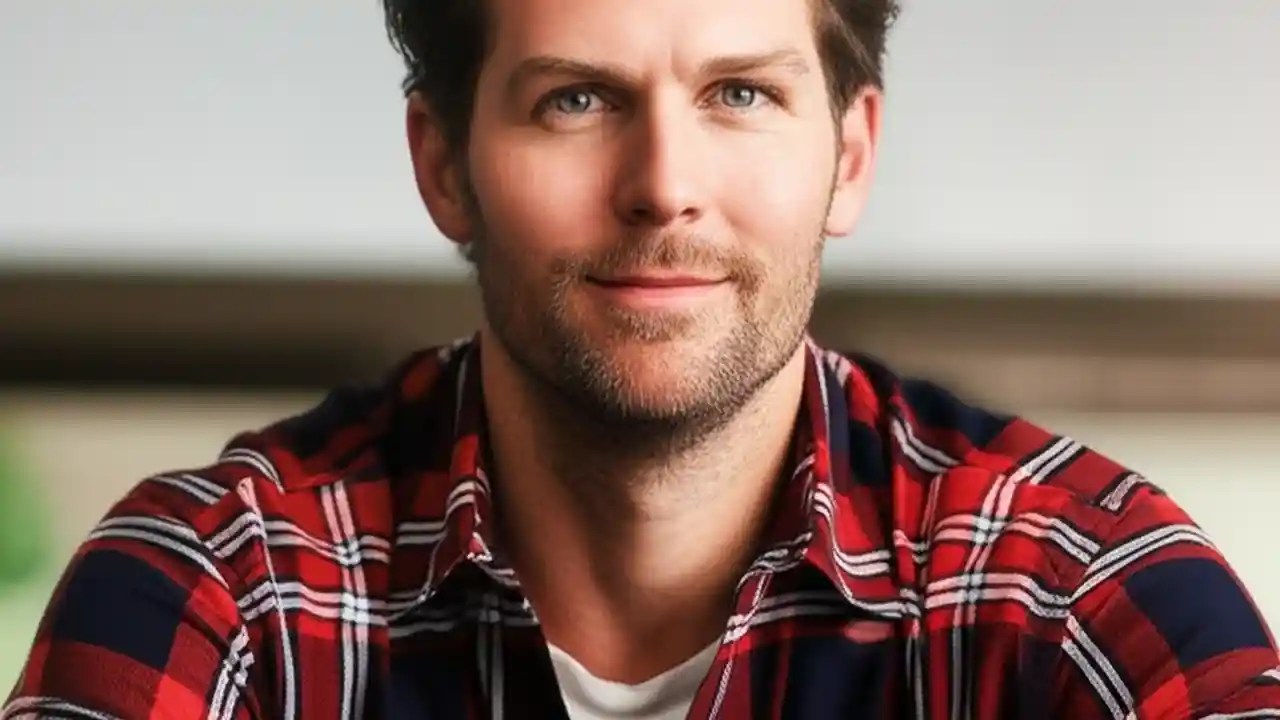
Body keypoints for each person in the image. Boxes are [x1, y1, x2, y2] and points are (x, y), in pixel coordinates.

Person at [6, 0, 1279, 717]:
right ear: (443, 165)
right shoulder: (221, 597)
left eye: (740, 94)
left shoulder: (1076, 597)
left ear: (847, 154)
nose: (663, 187)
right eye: (575, 98)